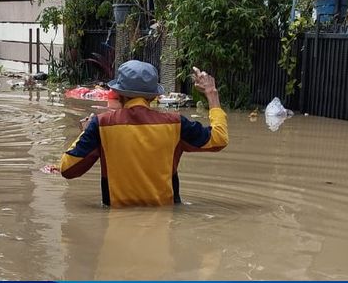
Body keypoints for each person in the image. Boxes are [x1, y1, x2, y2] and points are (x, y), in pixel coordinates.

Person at [59, 60, 228, 207]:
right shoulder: (176, 123)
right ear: (153, 96)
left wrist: (87, 132)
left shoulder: (101, 125)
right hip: (165, 229)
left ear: (118, 93)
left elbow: (67, 168)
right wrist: (212, 95)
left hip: (117, 230)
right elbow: (219, 139)